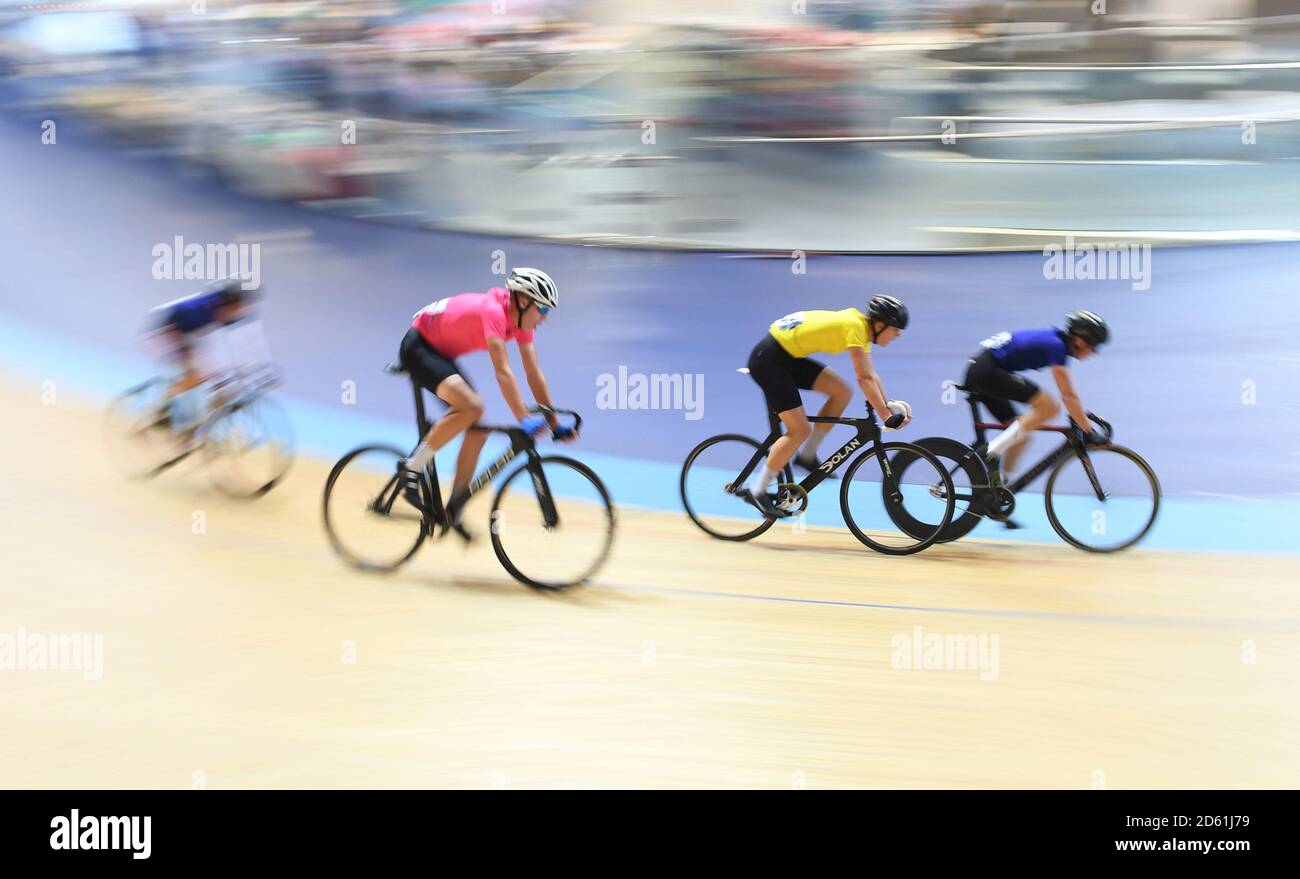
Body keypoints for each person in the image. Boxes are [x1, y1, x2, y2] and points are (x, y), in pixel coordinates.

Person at [398, 267, 572, 537]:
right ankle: (412, 467)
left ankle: (453, 509)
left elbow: (533, 374)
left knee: (478, 431)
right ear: (524, 302)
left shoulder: (522, 323)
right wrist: (523, 418)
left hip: (440, 354)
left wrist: (554, 423)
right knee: (473, 407)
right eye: (544, 310)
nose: (544, 318)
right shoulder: (493, 311)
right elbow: (502, 371)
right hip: (419, 346)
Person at [743, 294, 912, 518]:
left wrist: (886, 406)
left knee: (842, 392)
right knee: (799, 430)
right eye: (896, 328)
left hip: (786, 354)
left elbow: (870, 374)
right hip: (769, 361)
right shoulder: (856, 327)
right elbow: (863, 379)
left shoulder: (861, 327)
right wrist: (885, 416)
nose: (898, 334)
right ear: (880, 325)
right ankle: (758, 489)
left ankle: (807, 455)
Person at [963, 310, 1110, 487]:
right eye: (1094, 346)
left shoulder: (1056, 340)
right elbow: (1068, 395)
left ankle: (999, 490)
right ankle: (992, 451)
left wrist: (1084, 424)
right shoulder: (1056, 345)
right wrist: (1088, 430)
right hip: (986, 372)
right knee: (1049, 406)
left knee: (1020, 436)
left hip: (984, 370)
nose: (1094, 352)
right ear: (1081, 338)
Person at [143, 279, 263, 433]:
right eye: (239, 307)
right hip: (169, 330)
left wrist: (245, 367)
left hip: (186, 334)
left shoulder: (224, 310)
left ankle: (186, 415)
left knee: (210, 373)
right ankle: (164, 411)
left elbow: (239, 343)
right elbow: (179, 332)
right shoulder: (204, 308)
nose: (240, 311)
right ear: (230, 302)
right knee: (195, 375)